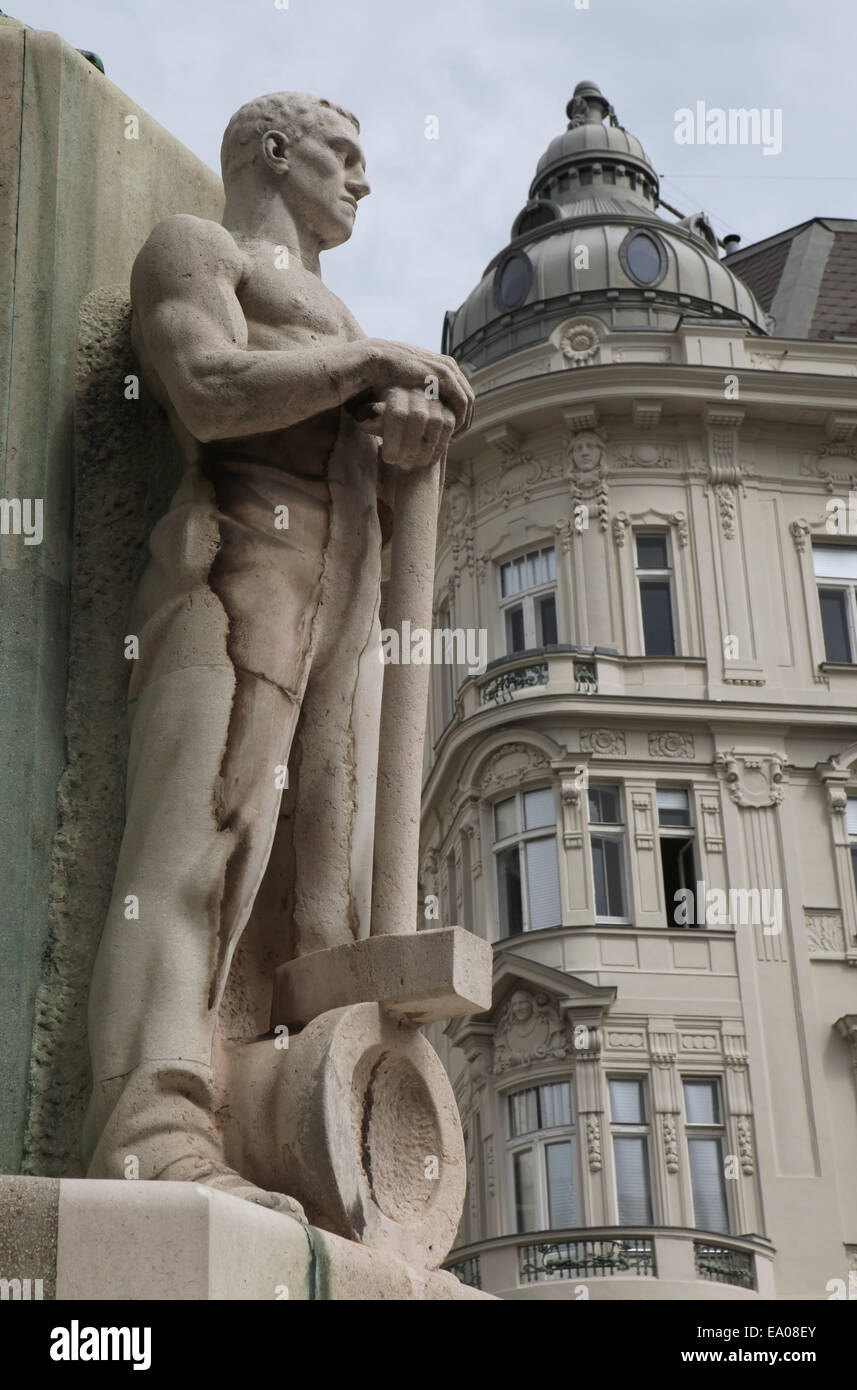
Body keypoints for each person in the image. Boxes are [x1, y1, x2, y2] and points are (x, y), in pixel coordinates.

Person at [83, 92, 473, 1213]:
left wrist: (401, 439)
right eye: (343, 155)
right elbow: (205, 391)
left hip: (331, 633)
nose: (363, 180)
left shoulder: (332, 316)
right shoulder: (197, 251)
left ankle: (251, 1117)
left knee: (308, 911)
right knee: (189, 864)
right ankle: (147, 1134)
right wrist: (369, 366)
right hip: (228, 588)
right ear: (272, 151)